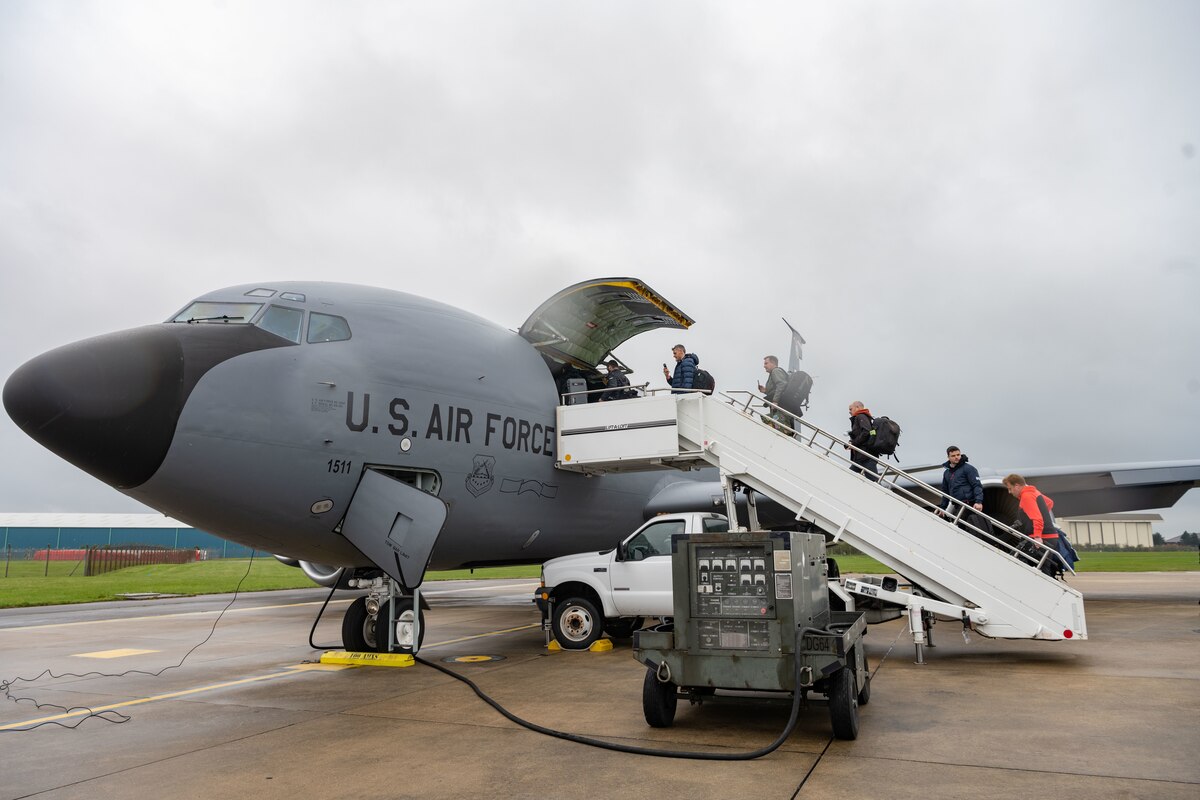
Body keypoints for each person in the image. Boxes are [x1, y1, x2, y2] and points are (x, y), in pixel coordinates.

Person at [1002, 473, 1063, 576]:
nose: (1009, 492)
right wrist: (1041, 513)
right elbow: (1049, 502)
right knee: (1044, 570)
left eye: (1010, 488)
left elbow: (1037, 518)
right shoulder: (1033, 491)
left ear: (1017, 486)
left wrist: (1038, 536)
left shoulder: (1026, 496)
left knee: (1016, 560)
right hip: (1050, 538)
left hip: (1042, 539)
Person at [937, 446, 984, 520]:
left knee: (960, 525)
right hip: (956, 505)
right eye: (953, 456)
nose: (956, 457)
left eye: (958, 455)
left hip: (969, 504)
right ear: (948, 457)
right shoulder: (946, 473)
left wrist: (978, 502)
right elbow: (945, 492)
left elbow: (977, 485)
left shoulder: (968, 468)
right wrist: (943, 508)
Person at [757, 355, 794, 433]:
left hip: (780, 407)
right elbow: (776, 388)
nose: (764, 366)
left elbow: (781, 384)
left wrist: (775, 401)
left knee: (770, 422)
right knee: (771, 423)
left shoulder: (775, 371)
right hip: (780, 407)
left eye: (766, 363)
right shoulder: (773, 373)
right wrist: (765, 391)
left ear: (773, 363)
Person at [846, 401, 878, 481]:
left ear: (857, 407)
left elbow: (866, 432)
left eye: (851, 409)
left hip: (866, 457)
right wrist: (851, 442)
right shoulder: (863, 417)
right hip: (861, 457)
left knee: (874, 482)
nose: (849, 411)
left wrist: (853, 443)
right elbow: (860, 434)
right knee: (849, 478)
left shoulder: (861, 416)